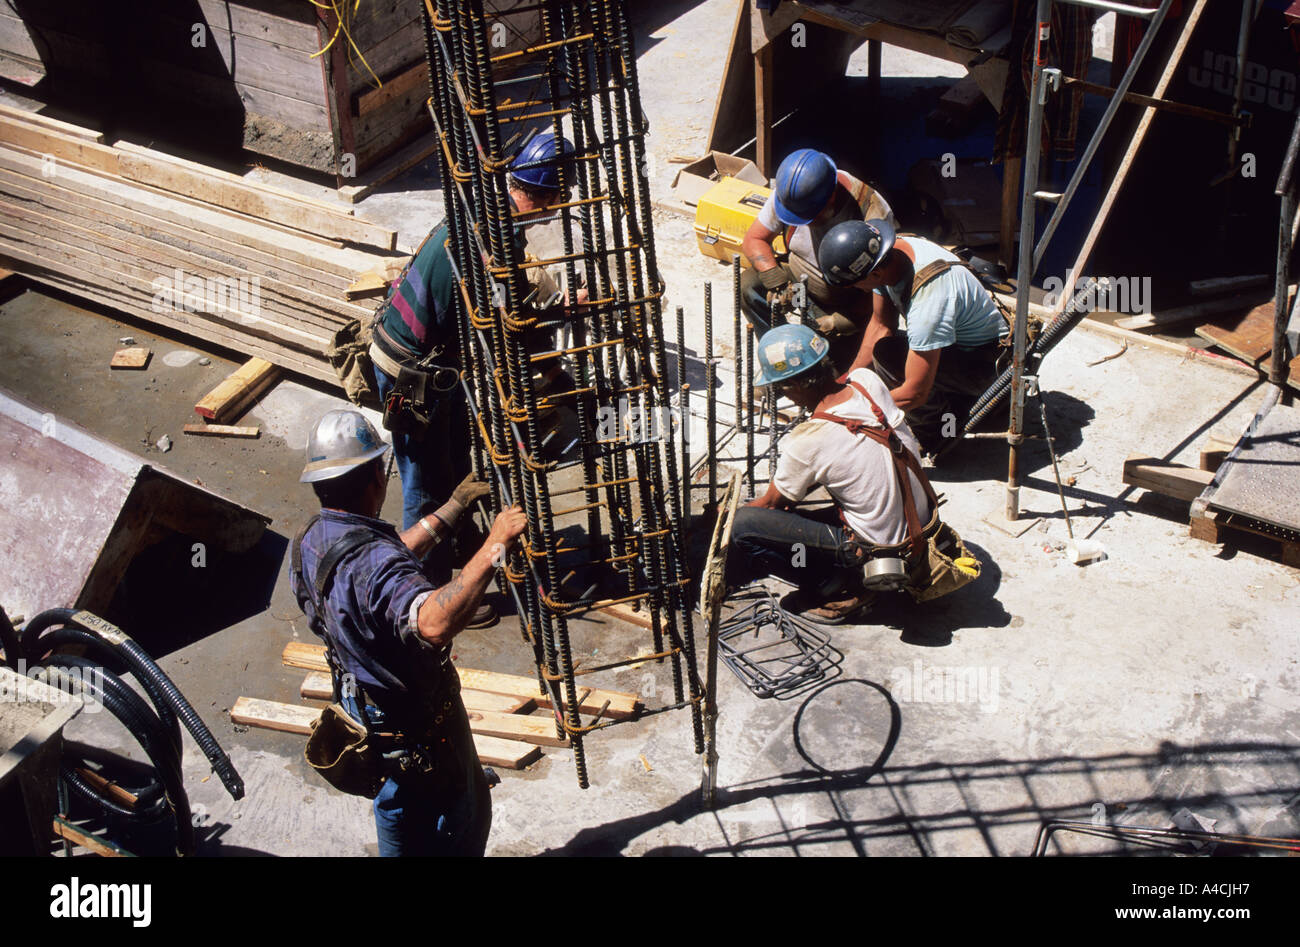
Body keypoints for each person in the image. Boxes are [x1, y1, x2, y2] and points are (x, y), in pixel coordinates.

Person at [291, 408, 527, 856]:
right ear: (375, 479)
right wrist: (497, 546)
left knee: (397, 805)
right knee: (463, 814)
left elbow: (373, 565)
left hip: (360, 705)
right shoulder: (375, 565)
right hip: (413, 719)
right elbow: (434, 624)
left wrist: (452, 511)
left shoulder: (311, 538)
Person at [368, 131, 577, 582]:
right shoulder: (492, 244)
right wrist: (559, 363)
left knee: (458, 461)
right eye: (559, 197)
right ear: (550, 194)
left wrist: (554, 308)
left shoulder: (486, 211)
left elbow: (509, 306)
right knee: (423, 483)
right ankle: (428, 587)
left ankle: (460, 545)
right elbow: (512, 329)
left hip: (438, 367)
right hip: (408, 374)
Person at [728, 324, 936, 624]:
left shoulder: (808, 439)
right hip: (922, 526)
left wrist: (723, 519)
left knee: (744, 525)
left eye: (781, 389)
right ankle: (849, 569)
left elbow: (773, 505)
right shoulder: (866, 381)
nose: (785, 398)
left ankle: (835, 583)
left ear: (794, 386)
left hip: (880, 549)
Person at [817, 218, 1009, 455]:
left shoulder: (929, 301)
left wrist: (849, 411)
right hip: (964, 348)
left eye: (857, 284)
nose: (860, 290)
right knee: (886, 349)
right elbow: (880, 325)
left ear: (875, 273)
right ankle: (954, 403)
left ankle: (937, 433)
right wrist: (847, 383)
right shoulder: (890, 252)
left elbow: (914, 393)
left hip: (990, 368)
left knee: (891, 359)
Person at [739, 148, 896, 339]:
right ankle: (779, 344)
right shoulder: (791, 196)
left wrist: (841, 321)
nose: (802, 223)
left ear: (831, 197)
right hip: (797, 286)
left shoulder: (872, 214)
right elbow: (754, 239)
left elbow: (887, 285)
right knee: (749, 286)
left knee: (825, 364)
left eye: (808, 217)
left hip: (846, 304)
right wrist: (777, 282)